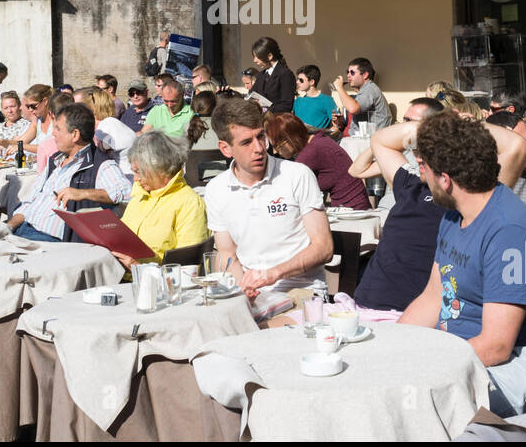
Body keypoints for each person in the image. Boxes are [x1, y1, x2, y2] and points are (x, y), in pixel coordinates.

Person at [398, 112, 526, 416]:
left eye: (424, 168)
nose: (421, 177)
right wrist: (388, 348)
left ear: (445, 179)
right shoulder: (455, 213)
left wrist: (424, 364)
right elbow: (433, 296)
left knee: (416, 403)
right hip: (474, 354)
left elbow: (497, 346)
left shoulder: (510, 232)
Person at [204, 98, 332, 299]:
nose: (259, 148)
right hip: (253, 295)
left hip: (302, 291)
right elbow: (227, 254)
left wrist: (274, 273)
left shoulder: (297, 175)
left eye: (260, 137)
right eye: (246, 142)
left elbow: (323, 248)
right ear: (225, 149)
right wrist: (243, 288)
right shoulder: (216, 189)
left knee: (261, 328)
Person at [351, 98, 447, 311]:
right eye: (403, 122)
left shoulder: (460, 192)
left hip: (407, 310)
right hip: (366, 302)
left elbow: (514, 147)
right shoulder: (412, 178)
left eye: (410, 122)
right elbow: (358, 167)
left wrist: (435, 132)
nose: (403, 128)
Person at [7, 103, 130, 242]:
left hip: (49, 242)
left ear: (75, 135)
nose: (53, 133)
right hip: (21, 230)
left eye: (58, 129)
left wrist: (83, 193)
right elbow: (29, 202)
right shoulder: (55, 160)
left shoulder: (100, 165)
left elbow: (126, 192)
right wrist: (8, 227)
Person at [117, 132, 210, 266]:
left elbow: (188, 268)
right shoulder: (139, 195)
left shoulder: (189, 203)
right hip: (122, 276)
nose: (135, 179)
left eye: (139, 171)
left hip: (160, 284)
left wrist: (137, 268)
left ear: (160, 168)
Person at [265, 112, 370, 211]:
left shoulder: (309, 154)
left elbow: (288, 191)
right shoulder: (318, 140)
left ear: (290, 139)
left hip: (351, 211)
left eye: (277, 146)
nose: (274, 152)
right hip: (356, 204)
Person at [81, 87, 136, 176]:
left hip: (126, 176)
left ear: (94, 109)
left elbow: (101, 153)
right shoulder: (112, 122)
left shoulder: (106, 125)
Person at [333, 57, 392, 131]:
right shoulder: (365, 89)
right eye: (347, 72)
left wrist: (339, 88)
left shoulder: (370, 89)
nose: (348, 75)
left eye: (352, 72)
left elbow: (353, 108)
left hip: (370, 139)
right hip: (360, 138)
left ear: (365, 75)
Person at [248, 36, 297, 114]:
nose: (255, 60)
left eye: (258, 57)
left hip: (276, 121)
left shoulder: (285, 74)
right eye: (254, 57)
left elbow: (286, 105)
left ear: (270, 56)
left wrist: (265, 110)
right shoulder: (261, 75)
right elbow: (251, 95)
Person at [293, 64, 338, 131]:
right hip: (297, 138)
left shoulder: (327, 101)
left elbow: (337, 124)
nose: (297, 82)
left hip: (316, 139)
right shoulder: (298, 101)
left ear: (311, 82)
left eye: (301, 80)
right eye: (297, 79)